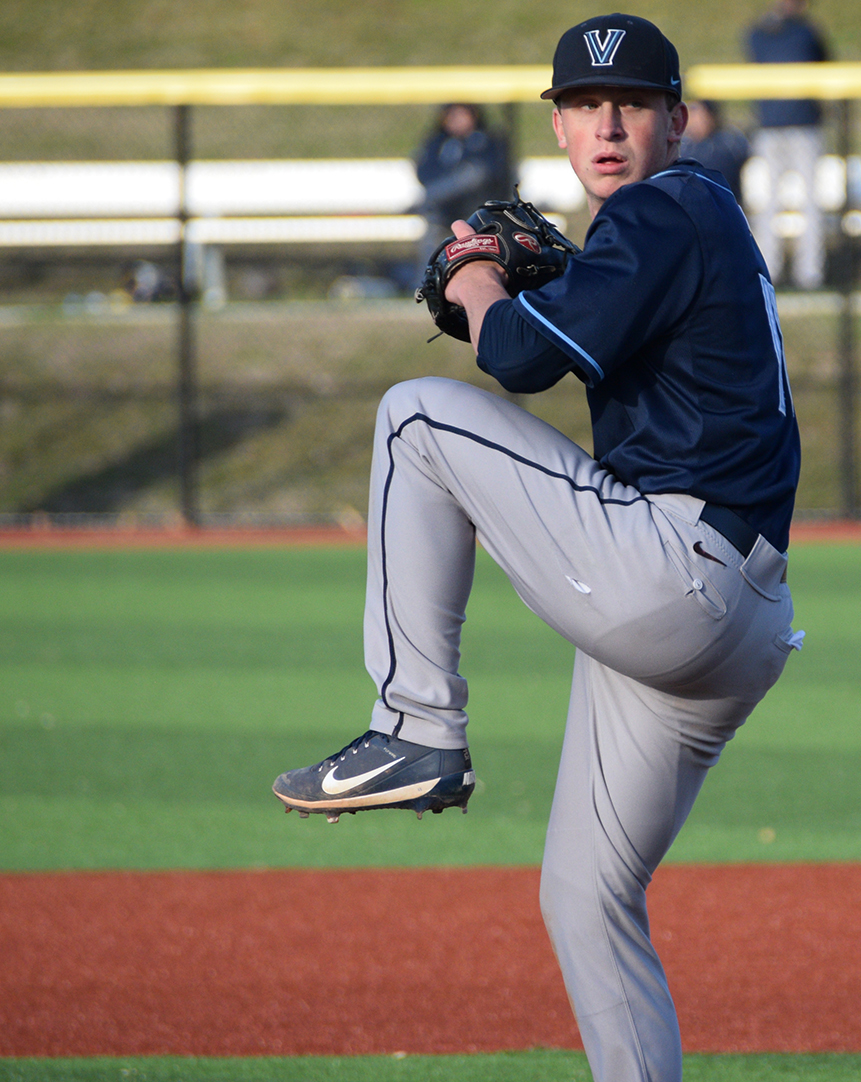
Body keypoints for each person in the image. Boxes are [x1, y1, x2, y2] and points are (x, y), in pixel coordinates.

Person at [271, 14, 803, 1082]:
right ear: (558, 127)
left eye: (633, 105)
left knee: (417, 416)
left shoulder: (661, 206)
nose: (608, 125)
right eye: (584, 107)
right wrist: (537, 279)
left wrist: (472, 274)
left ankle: (415, 724)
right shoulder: (692, 218)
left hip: (672, 571)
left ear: (676, 121)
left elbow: (517, 354)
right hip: (738, 618)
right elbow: (595, 318)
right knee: (584, 896)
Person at [745, 0, 832, 290]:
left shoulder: (807, 32)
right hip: (771, 127)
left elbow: (823, 62)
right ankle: (768, 270)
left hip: (805, 126)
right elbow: (755, 48)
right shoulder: (762, 32)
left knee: (811, 201)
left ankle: (810, 274)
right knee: (768, 202)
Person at [412, 103, 514, 269]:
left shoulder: (487, 141)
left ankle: (428, 200)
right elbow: (424, 172)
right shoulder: (438, 142)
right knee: (433, 237)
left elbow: (491, 175)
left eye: (462, 115)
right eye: (452, 116)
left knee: (470, 175)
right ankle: (427, 284)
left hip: (478, 211)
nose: (457, 121)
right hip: (444, 213)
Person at [680, 98, 753, 203]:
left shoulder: (727, 144)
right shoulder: (684, 147)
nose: (693, 120)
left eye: (698, 114)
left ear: (710, 116)